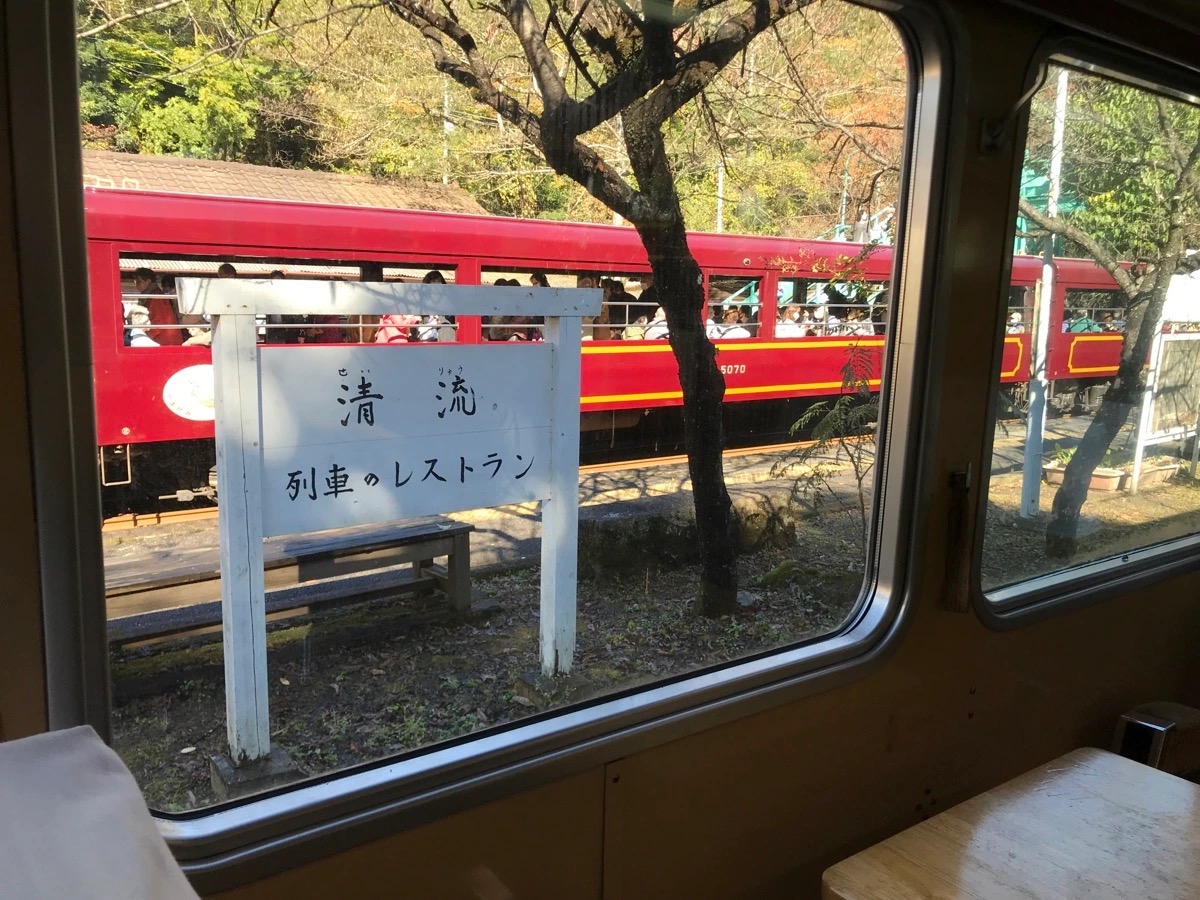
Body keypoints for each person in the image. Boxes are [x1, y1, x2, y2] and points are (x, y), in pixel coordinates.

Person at [132, 267, 182, 345]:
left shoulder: (155, 297)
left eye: (139, 281)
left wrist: (144, 337)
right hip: (163, 340)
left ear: (148, 282)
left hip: (165, 342)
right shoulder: (151, 295)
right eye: (135, 281)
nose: (136, 284)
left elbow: (158, 323)